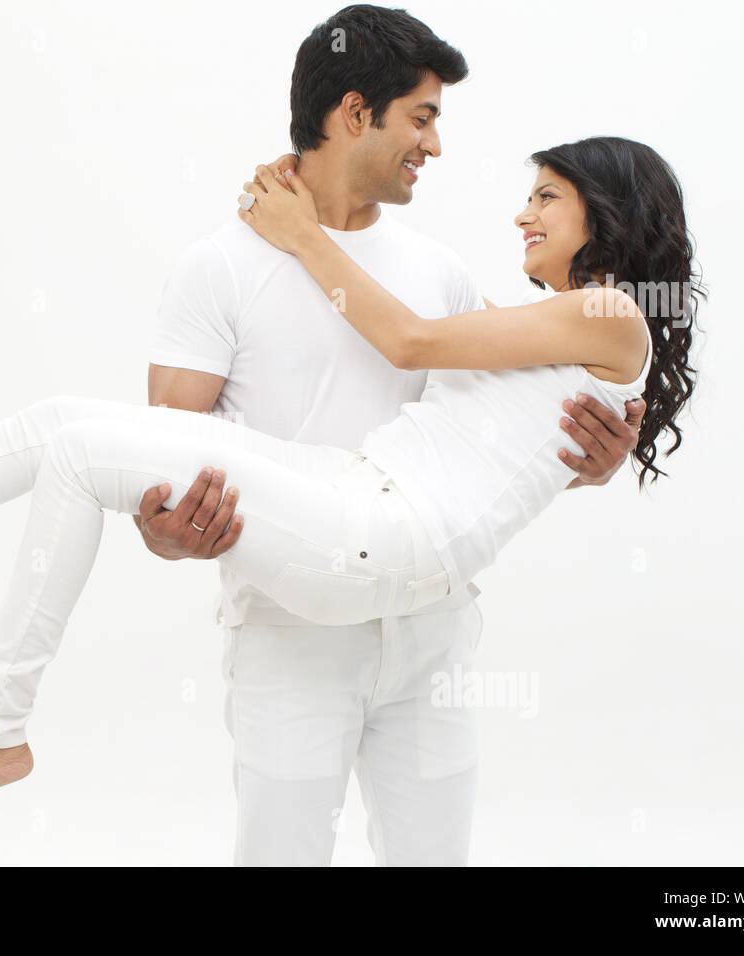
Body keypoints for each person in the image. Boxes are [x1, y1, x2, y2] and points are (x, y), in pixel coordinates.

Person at [0, 128, 703, 844]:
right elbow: (514, 450)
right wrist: (595, 466)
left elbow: (411, 334)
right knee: (64, 431)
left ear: (607, 213)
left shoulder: (607, 314)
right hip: (359, 507)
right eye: (524, 197)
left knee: (70, 445)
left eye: (546, 199)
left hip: (384, 541)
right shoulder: (559, 331)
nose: (521, 215)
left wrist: (298, 236)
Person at [129, 5, 646, 866]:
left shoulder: (436, 272)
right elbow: (161, 457)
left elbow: (521, 409)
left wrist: (599, 453)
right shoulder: (217, 267)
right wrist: (163, 533)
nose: (436, 146)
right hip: (292, 630)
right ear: (356, 113)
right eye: (424, 117)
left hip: (431, 628)